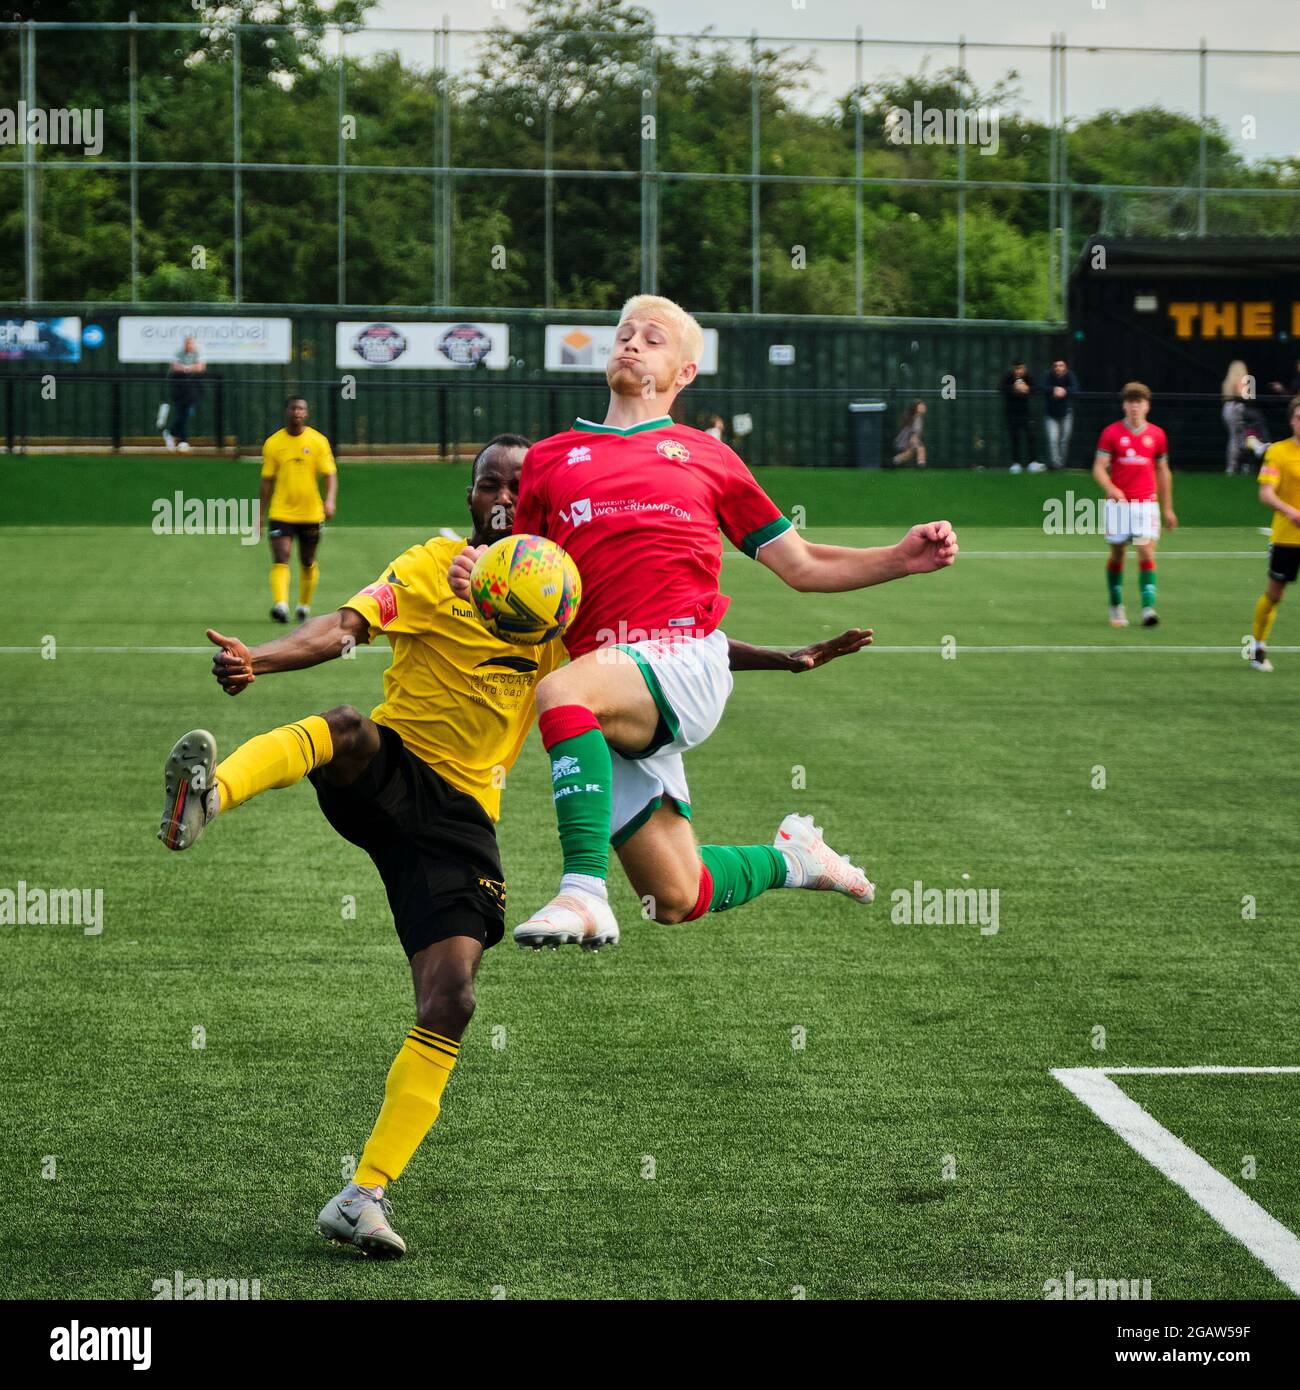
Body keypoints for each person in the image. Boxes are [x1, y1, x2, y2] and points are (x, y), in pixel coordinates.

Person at [156, 433, 872, 1256]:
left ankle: (362, 1195)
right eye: (487, 483)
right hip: (395, 770)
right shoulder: (429, 566)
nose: (500, 496)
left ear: (537, 504)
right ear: (470, 498)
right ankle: (213, 795)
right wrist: (263, 661)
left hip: (462, 821)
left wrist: (788, 657)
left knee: (452, 1000)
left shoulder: (559, 598)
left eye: (516, 485)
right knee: (348, 727)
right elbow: (343, 628)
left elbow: (653, 649)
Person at [450, 294, 958, 950]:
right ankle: (796, 858)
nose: (631, 343)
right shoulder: (550, 459)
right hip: (610, 691)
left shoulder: (707, 456)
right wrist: (484, 588)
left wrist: (900, 559)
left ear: (684, 373)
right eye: (624, 334)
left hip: (683, 661)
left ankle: (582, 893)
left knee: (562, 691)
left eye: (653, 339)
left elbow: (800, 564)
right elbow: (531, 617)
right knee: (674, 895)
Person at [1092, 382, 1177, 629]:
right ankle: (1116, 603)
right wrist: (1110, 488)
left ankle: (1148, 608)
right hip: (1118, 505)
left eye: (1139, 402)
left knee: (1146, 551)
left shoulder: (1157, 435)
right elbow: (1098, 467)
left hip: (1146, 504)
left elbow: (1163, 470)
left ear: (1147, 406)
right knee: (1118, 553)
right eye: (1130, 402)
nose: (1134, 407)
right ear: (1124, 405)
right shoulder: (1111, 433)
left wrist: (1168, 507)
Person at [260, 396, 337, 623]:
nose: (297, 412)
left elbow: (330, 474)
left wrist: (330, 500)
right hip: (281, 511)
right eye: (293, 408)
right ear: (286, 411)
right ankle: (281, 605)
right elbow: (266, 481)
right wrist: (259, 514)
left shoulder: (318, 441)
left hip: (311, 513)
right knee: (281, 556)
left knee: (307, 560)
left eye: (301, 408)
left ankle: (303, 605)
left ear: (307, 413)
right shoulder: (273, 443)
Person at [1247, 394, 1300, 672]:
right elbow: (1265, 494)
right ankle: (1257, 647)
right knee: (1275, 594)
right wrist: (1291, 512)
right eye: (1299, 417)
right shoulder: (1278, 452)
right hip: (1287, 537)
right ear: (1292, 420)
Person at [163, 335, 205, 452]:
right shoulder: (178, 353)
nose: (189, 346)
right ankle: (183, 441)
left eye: (191, 343)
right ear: (184, 344)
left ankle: (170, 433)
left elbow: (201, 367)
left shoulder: (197, 353)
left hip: (191, 390)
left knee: (186, 415)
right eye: (188, 343)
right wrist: (189, 368)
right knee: (181, 414)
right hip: (178, 389)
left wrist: (186, 368)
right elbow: (174, 367)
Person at [999, 360, 1041, 473]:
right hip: (1011, 413)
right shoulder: (1008, 377)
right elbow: (1001, 388)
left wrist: (1027, 389)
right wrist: (1014, 388)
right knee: (1014, 438)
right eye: (1017, 369)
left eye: (1021, 368)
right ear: (1013, 369)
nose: (1019, 371)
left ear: (1024, 368)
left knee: (1031, 437)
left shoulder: (1028, 377)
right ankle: (1016, 463)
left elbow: (1036, 388)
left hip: (1026, 413)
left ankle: (1032, 462)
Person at [1041, 359, 1078, 470]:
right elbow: (1042, 387)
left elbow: (1075, 388)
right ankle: (1055, 465)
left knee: (1064, 440)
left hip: (1066, 414)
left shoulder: (1070, 375)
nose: (1058, 368)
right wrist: (1054, 389)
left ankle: (1061, 464)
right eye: (1056, 366)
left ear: (1065, 368)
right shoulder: (1048, 375)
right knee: (1053, 439)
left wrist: (1064, 391)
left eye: (1061, 365)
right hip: (1051, 415)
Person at [891, 400, 927, 467]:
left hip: (906, 438)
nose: (924, 407)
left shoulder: (916, 417)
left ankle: (896, 460)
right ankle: (921, 464)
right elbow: (915, 432)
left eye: (923, 406)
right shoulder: (917, 418)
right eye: (921, 406)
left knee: (911, 453)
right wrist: (914, 440)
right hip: (908, 438)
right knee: (920, 449)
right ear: (916, 409)